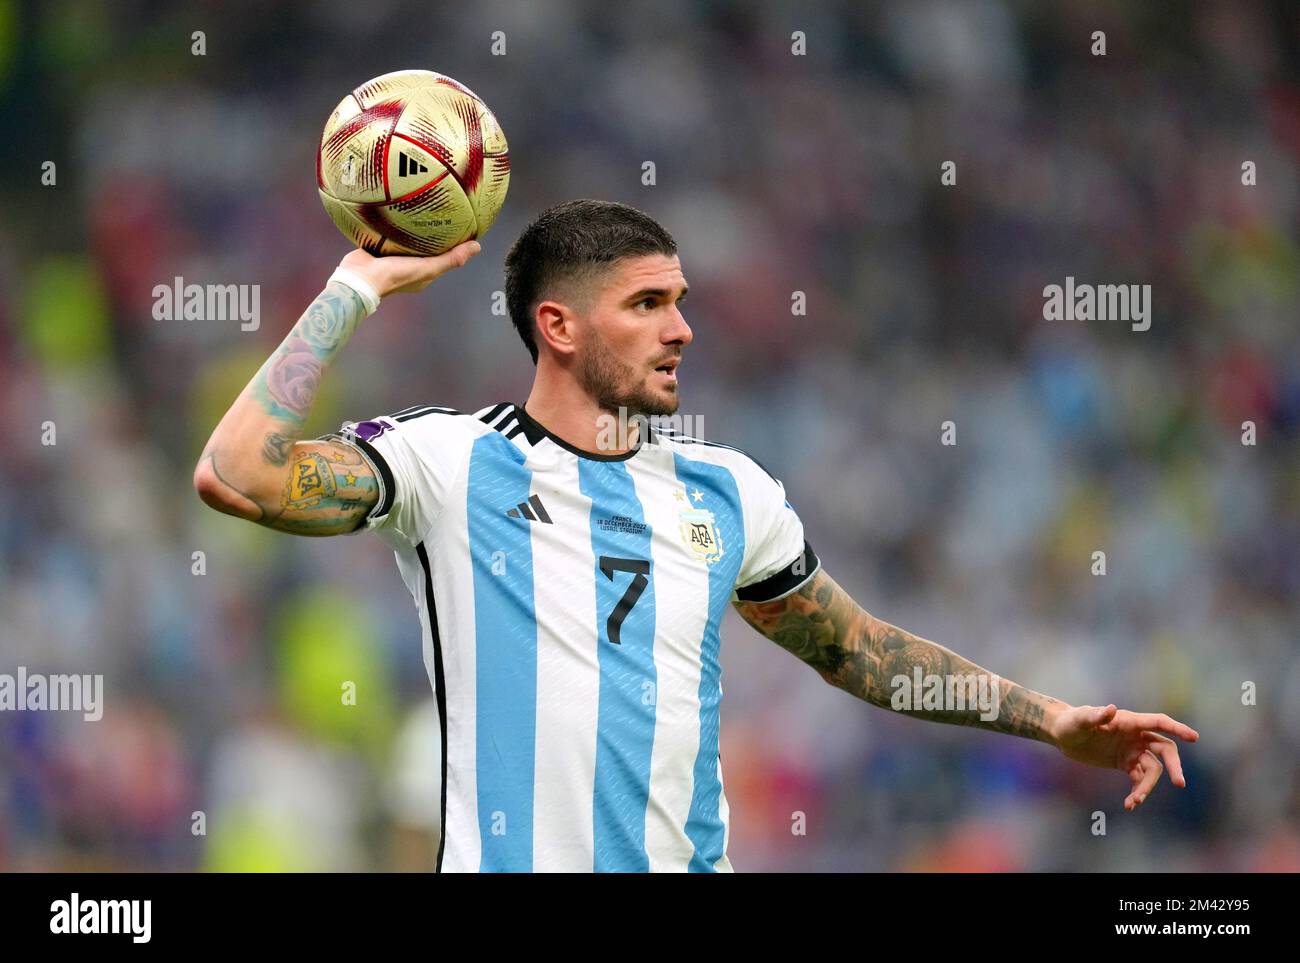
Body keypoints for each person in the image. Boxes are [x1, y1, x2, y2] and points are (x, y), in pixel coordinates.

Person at [195, 198, 1199, 872]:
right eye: (648, 305)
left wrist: (1052, 721)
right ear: (560, 327)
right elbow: (235, 474)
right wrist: (352, 293)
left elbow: (860, 653)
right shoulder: (446, 463)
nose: (683, 329)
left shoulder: (728, 493)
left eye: (680, 302)